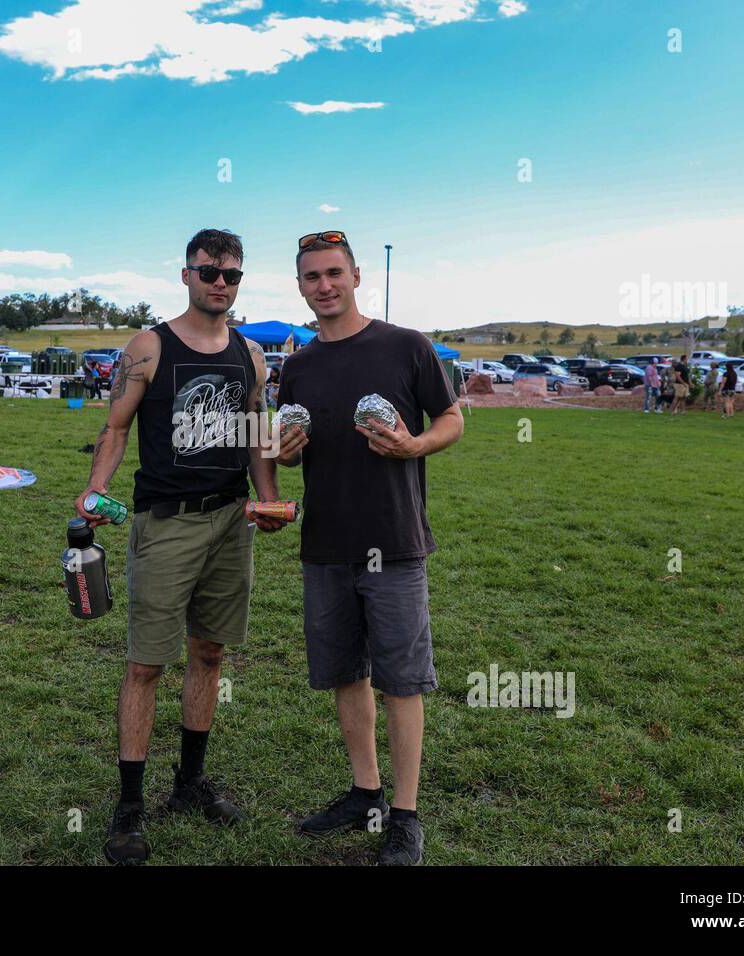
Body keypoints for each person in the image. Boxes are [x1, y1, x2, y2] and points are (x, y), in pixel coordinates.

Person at [75, 228, 285, 866]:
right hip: (165, 523)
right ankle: (129, 808)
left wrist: (268, 497)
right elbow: (115, 426)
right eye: (208, 271)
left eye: (231, 275)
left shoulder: (251, 355)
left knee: (210, 653)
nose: (219, 283)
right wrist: (95, 489)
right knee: (145, 664)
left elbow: (255, 438)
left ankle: (190, 784)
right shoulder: (150, 346)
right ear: (186, 274)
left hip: (229, 521)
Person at [276, 230, 463, 866]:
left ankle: (405, 816)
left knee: (401, 681)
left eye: (333, 273)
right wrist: (286, 450)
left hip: (395, 540)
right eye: (311, 277)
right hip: (325, 542)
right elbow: (286, 439)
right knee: (344, 674)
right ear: (300, 286)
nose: (323, 286)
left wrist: (415, 445)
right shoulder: (297, 365)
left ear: (357, 276)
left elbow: (452, 419)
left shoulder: (405, 346)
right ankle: (366, 794)